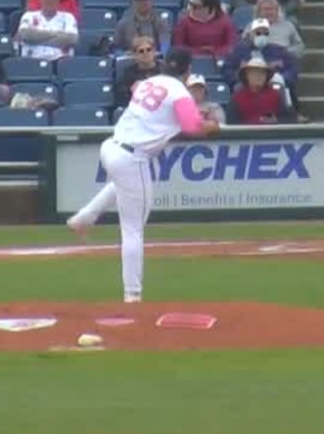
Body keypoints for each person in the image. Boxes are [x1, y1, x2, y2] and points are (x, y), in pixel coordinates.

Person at [65, 48, 220, 302]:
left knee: (125, 186)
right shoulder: (179, 90)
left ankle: (84, 218)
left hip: (112, 147)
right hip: (131, 156)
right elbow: (192, 127)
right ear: (188, 70)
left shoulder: (150, 81)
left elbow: (161, 110)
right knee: (133, 229)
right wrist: (214, 126)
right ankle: (132, 295)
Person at [15, 0, 79, 60]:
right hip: (32, 62)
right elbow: (26, 35)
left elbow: (71, 39)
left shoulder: (68, 17)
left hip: (61, 63)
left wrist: (36, 38)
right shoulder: (29, 16)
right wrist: (57, 35)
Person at [228, 56, 294, 125]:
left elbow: (289, 120)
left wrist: (276, 120)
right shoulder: (237, 98)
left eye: (262, 73)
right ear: (247, 75)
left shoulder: (275, 95)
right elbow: (231, 123)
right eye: (255, 73)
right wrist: (256, 122)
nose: (259, 76)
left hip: (272, 133)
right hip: (246, 134)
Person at [170, 0, 234, 58]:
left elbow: (232, 46)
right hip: (190, 60)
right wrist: (198, 52)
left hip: (220, 59)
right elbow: (178, 46)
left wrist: (215, 52)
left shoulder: (226, 22)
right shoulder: (184, 23)